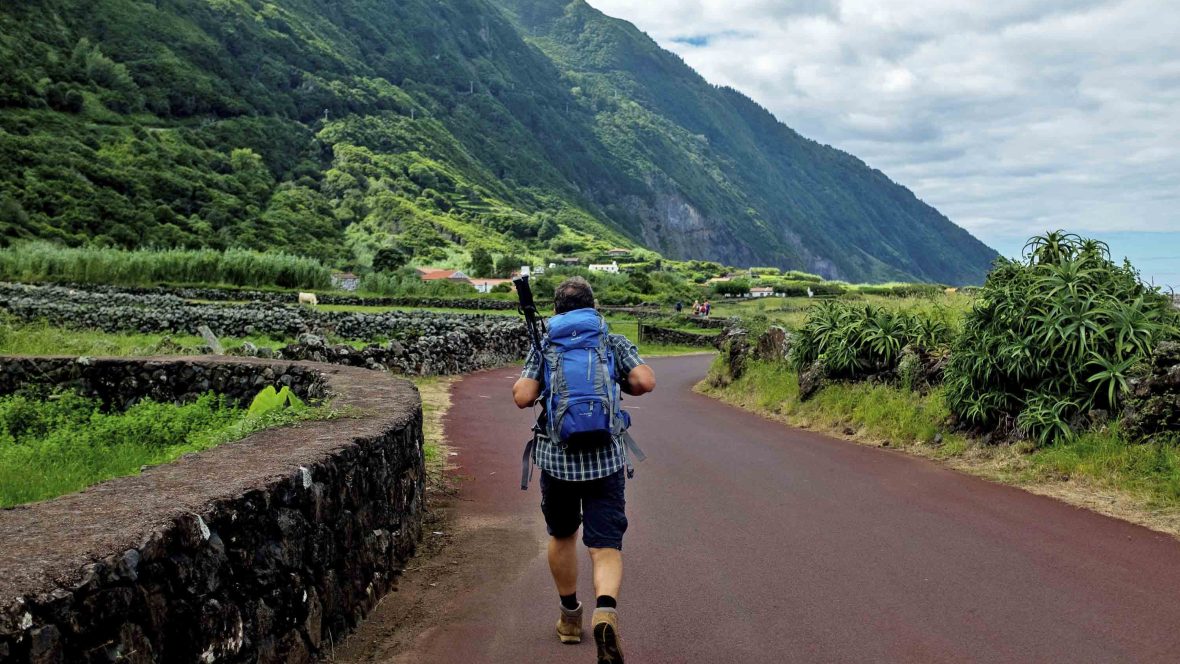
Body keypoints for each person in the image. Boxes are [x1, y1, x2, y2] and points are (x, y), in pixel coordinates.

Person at [513, 276, 656, 664]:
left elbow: (523, 396)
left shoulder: (546, 344)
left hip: (558, 462)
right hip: (606, 461)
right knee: (605, 545)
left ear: (556, 310)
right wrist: (620, 382)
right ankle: (605, 612)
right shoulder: (610, 341)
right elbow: (644, 380)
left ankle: (570, 617)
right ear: (594, 307)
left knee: (562, 536)